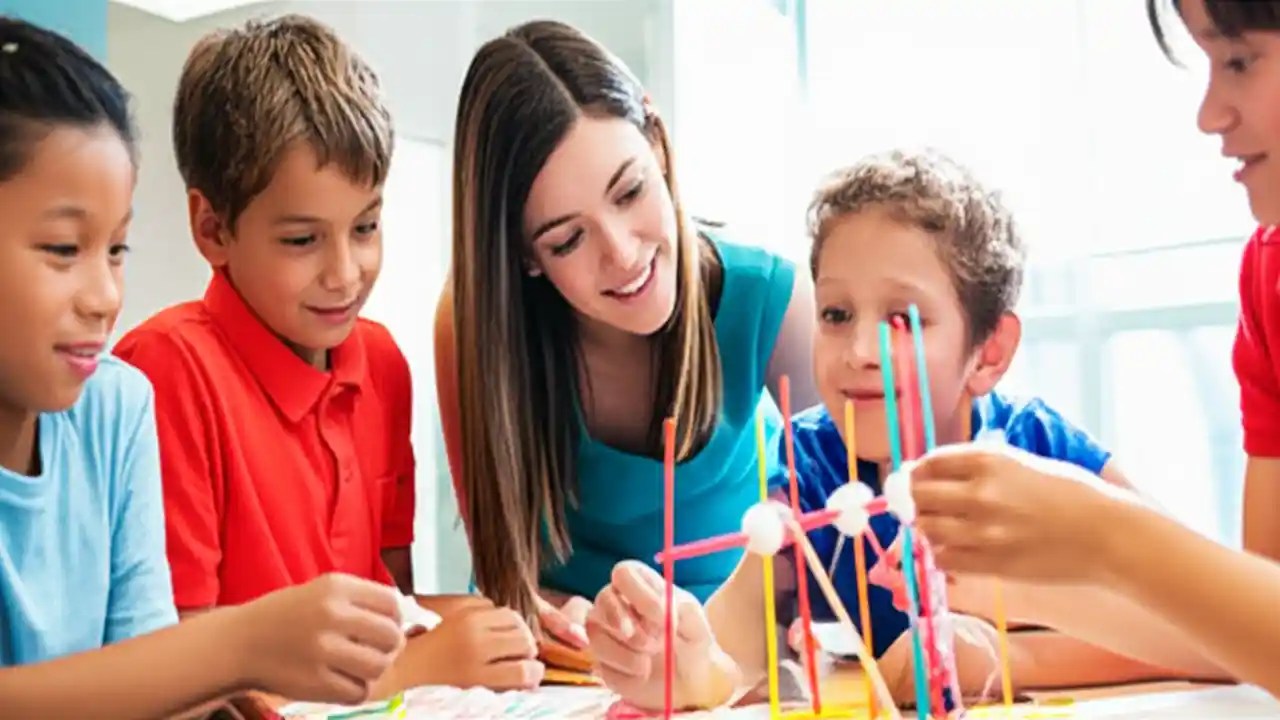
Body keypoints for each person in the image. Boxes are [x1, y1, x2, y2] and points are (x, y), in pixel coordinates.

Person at [585, 149, 1197, 712]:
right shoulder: (810, 466)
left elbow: (1217, 627)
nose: (858, 350)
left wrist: (999, 656)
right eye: (836, 314)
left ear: (988, 352)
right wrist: (686, 664)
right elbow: (734, 650)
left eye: (903, 319)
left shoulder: (1040, 453)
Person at [111, 14, 539, 691]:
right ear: (212, 229)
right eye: (303, 240)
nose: (346, 273)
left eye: (366, 227)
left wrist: (508, 626)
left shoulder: (382, 362)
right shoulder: (166, 371)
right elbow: (175, 663)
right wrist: (413, 664)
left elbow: (391, 606)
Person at [0, 16, 404, 718]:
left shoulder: (116, 407)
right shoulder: (165, 368)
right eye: (64, 249)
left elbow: (154, 689)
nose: (104, 298)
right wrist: (238, 648)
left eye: (117, 249)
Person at [905, 0, 1280, 699]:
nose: (1210, 114)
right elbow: (1261, 633)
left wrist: (1108, 537)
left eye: (1238, 61)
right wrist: (1023, 589)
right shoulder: (1269, 276)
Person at [433, 18, 817, 646]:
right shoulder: (472, 326)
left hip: (738, 658)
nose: (622, 254)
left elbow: (855, 547)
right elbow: (505, 571)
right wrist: (558, 614)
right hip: (562, 676)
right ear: (523, 256)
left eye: (631, 190)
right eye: (568, 239)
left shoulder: (773, 299)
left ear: (658, 145)